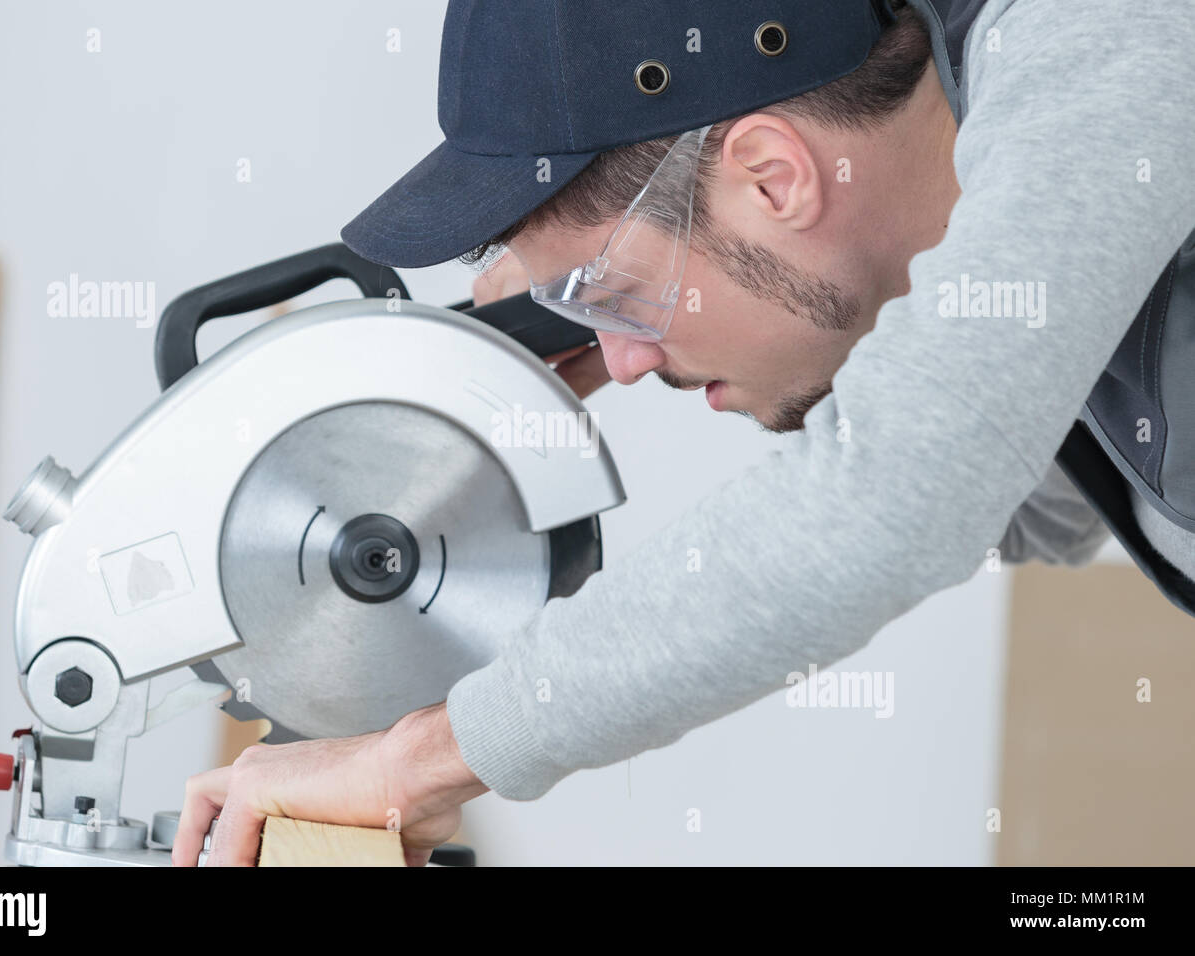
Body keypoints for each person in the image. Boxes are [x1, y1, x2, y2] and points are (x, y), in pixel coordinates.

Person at [173, 0, 1195, 866]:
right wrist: (518, 371)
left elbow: (892, 500)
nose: (624, 360)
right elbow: (1028, 500)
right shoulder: (1031, 193)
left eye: (613, 296)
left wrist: (416, 760)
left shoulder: (1105, 45)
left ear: (770, 177)